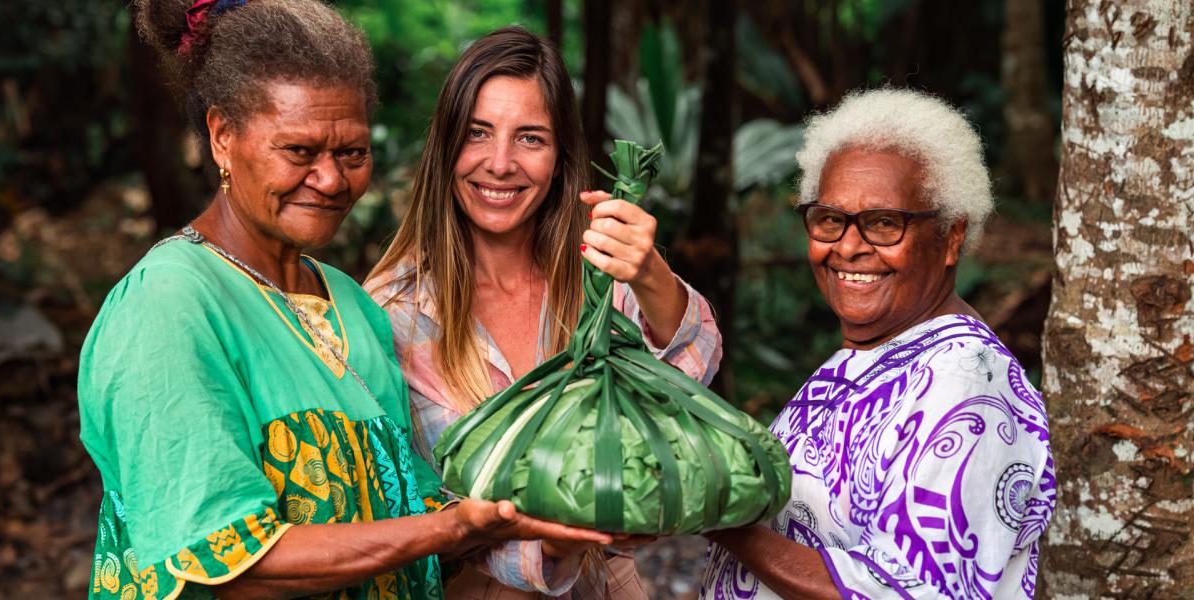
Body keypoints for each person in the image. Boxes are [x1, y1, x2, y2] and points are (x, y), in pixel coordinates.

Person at [78, 3, 610, 599]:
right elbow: (233, 565)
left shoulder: (353, 307)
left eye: (351, 154)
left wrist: (535, 523)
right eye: (299, 152)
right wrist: (448, 526)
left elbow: (404, 520)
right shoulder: (169, 305)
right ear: (223, 136)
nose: (331, 180)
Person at [364, 26, 723, 599]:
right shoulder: (395, 311)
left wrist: (649, 271)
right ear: (446, 147)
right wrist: (555, 539)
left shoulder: (596, 275)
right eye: (478, 134)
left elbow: (687, 379)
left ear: (559, 159)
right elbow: (420, 515)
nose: (500, 164)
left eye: (530, 138)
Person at [698, 89, 1056, 599]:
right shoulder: (869, 356)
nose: (847, 246)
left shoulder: (967, 386)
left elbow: (904, 591)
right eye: (829, 219)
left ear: (952, 237)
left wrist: (723, 524)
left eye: (884, 223)